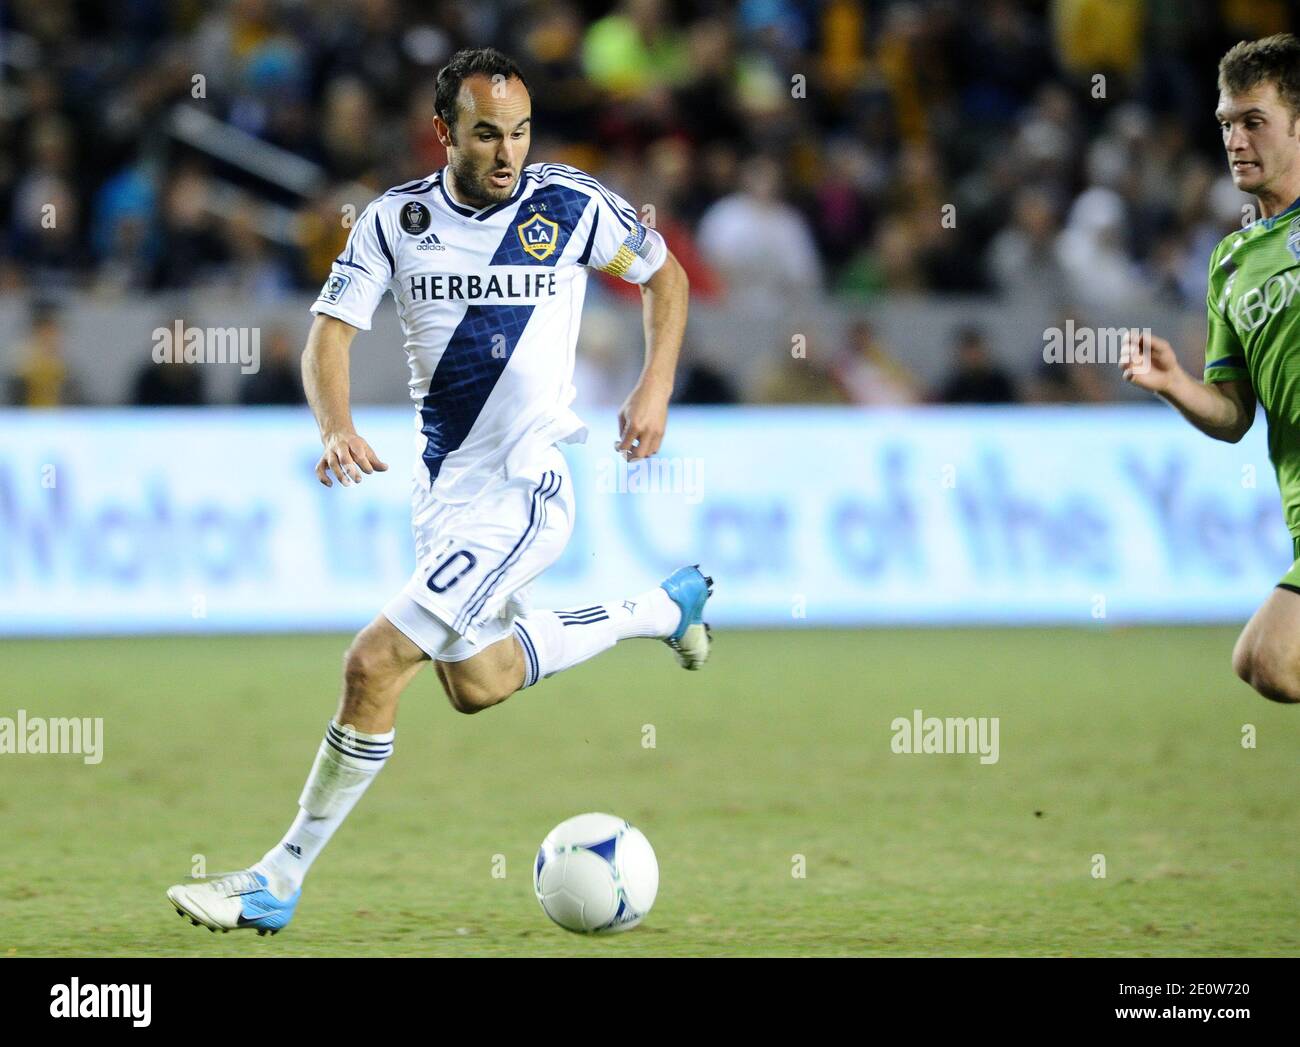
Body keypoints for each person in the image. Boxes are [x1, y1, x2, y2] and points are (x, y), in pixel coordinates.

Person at [166, 48, 711, 934]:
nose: (508, 153)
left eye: (521, 133)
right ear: (445, 131)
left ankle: (278, 876)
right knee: (479, 682)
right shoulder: (395, 221)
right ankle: (663, 607)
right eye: (488, 134)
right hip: (447, 497)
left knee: (371, 663)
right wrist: (335, 425)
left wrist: (654, 386)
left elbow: (664, 275)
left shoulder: (569, 205)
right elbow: (328, 338)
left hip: (529, 488)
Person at [1120, 34, 1300, 706]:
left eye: (1255, 122)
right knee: (1258, 662)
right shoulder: (1230, 261)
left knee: (1273, 657)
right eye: (1227, 124)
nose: (1236, 140)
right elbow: (1232, 415)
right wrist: (1175, 385)